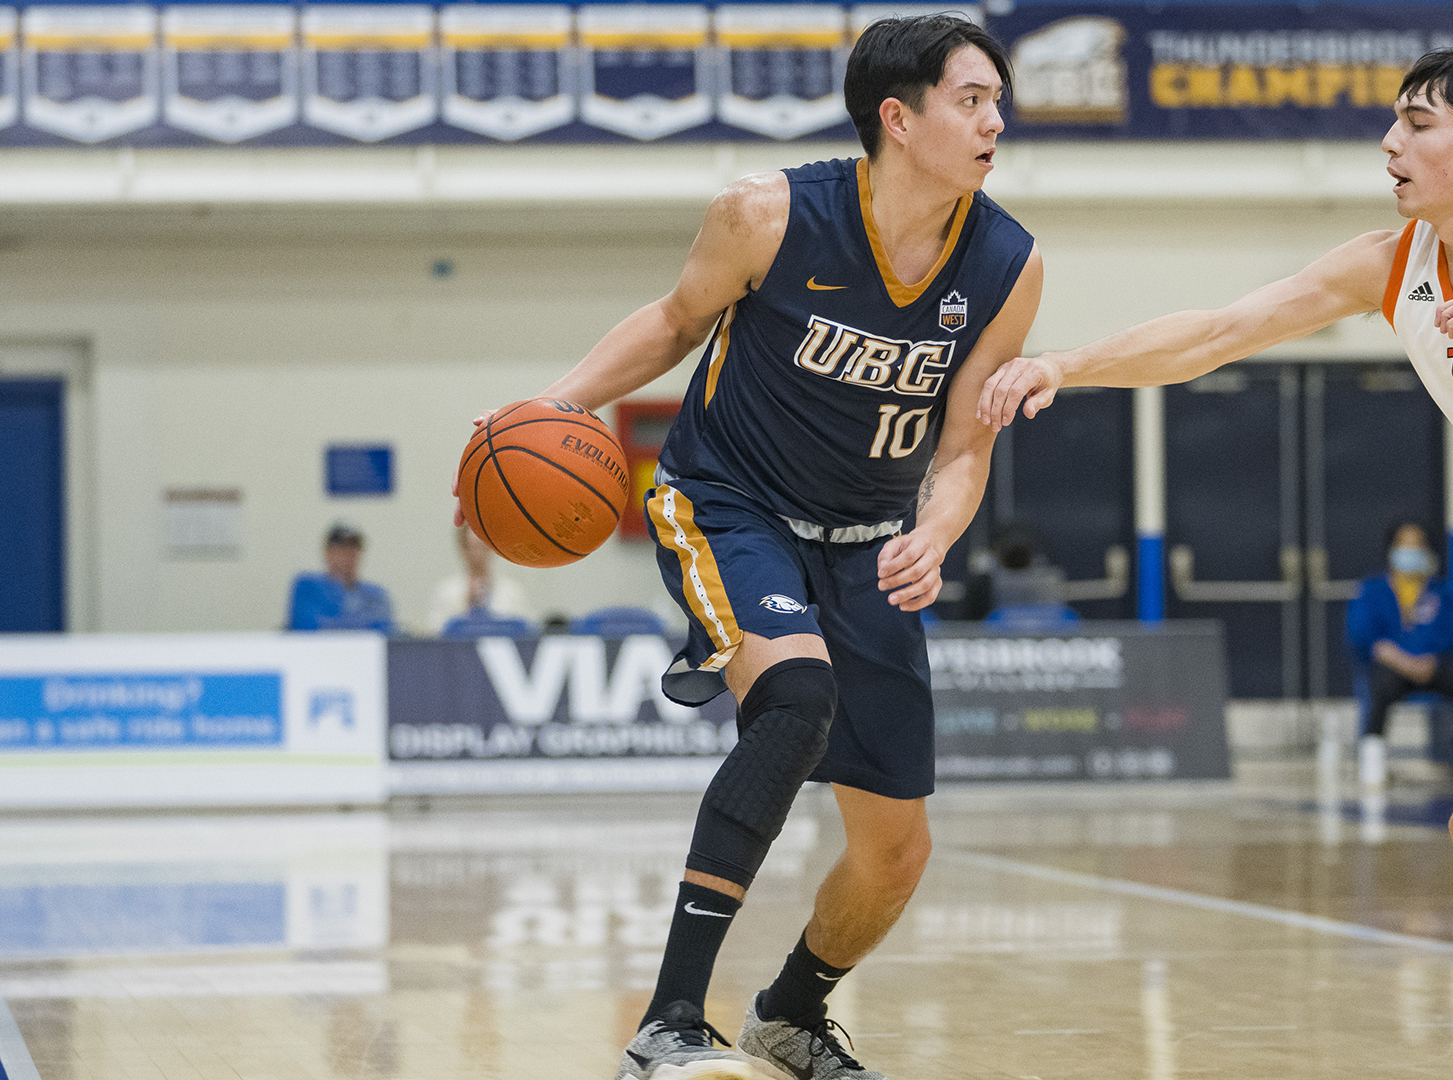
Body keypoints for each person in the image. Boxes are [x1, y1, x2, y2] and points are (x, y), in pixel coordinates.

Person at [978, 36, 1453, 1080]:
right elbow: (1220, 329)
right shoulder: (1396, 264)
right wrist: (1063, 363)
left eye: (1416, 123)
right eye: (1394, 120)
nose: (1388, 140)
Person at [456, 16, 1041, 1080]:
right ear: (898, 118)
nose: (996, 119)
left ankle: (789, 1012)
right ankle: (670, 1019)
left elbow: (965, 443)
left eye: (999, 100)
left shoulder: (1008, 263)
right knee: (796, 702)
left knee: (896, 853)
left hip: (871, 540)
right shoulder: (766, 214)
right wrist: (547, 407)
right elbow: (680, 321)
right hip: (732, 502)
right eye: (972, 99)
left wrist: (941, 531)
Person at [1347, 520, 1453, 788]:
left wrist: (1432, 660)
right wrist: (1400, 659)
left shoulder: (1441, 593)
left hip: (1433, 665)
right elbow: (1363, 635)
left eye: (1417, 546)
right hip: (1393, 667)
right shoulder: (1373, 591)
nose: (1411, 552)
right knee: (1379, 685)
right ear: (1391, 550)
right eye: (1404, 545)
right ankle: (1372, 764)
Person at [285, 522, 394, 634]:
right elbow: (307, 628)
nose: (349, 555)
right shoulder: (308, 586)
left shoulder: (376, 594)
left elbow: (385, 633)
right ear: (328, 553)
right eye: (342, 549)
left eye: (354, 549)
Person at [425, 526, 532, 634]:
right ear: (463, 550)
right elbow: (435, 633)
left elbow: (527, 633)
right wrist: (468, 601)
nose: (480, 554)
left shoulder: (513, 591)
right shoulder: (445, 592)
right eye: (475, 547)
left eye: (484, 547)